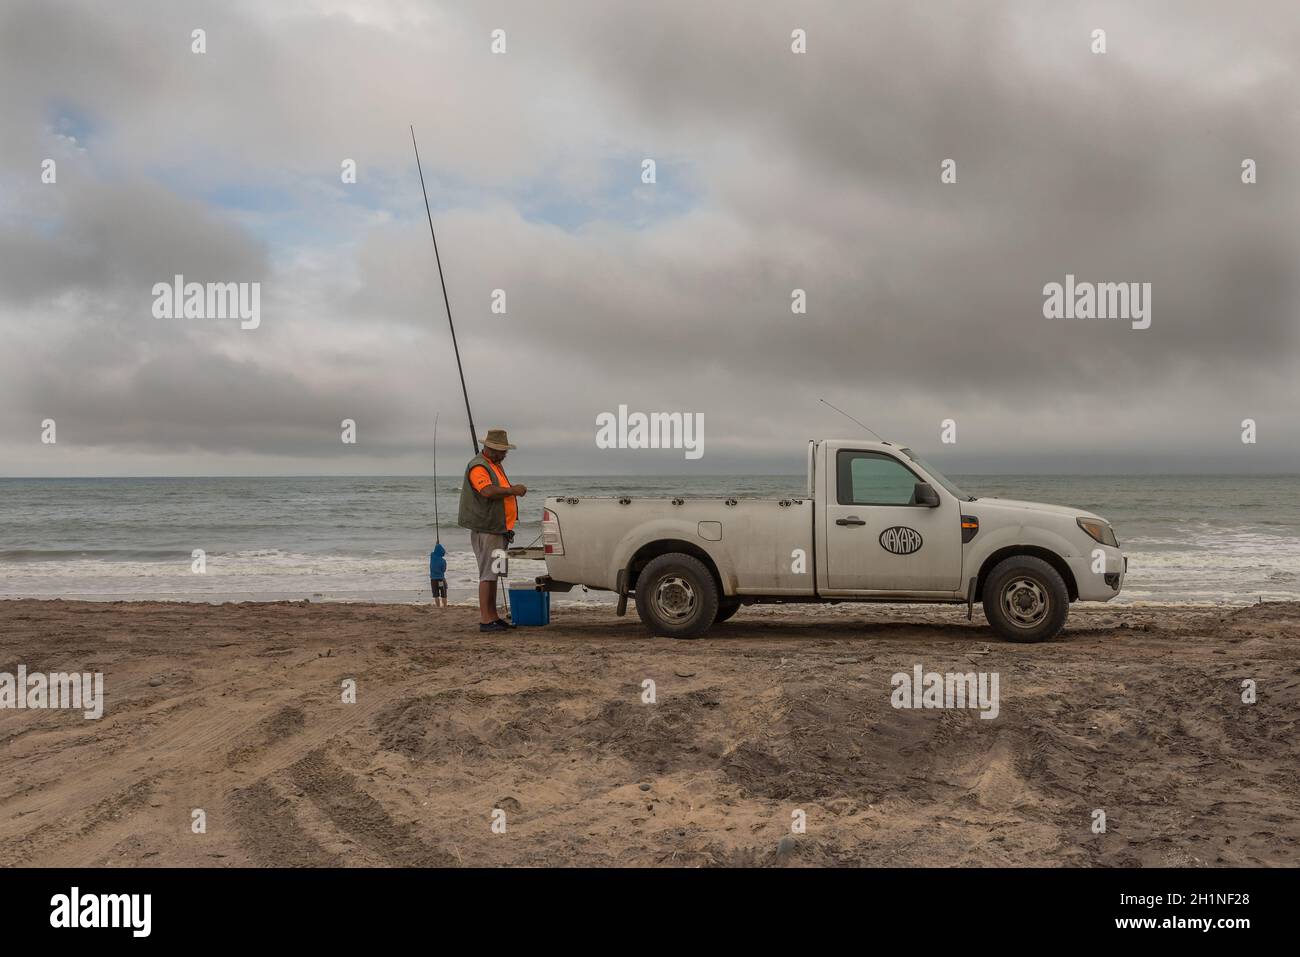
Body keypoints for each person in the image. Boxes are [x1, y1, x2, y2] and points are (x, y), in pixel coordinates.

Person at [457, 428, 527, 632]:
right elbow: (487, 491)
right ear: (492, 449)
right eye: (502, 451)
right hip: (487, 529)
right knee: (488, 574)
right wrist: (513, 490)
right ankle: (486, 619)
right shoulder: (479, 466)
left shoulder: (493, 465)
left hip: (498, 528)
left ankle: (493, 616)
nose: (504, 455)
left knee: (494, 573)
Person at [428, 542, 447, 607]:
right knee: (443, 594)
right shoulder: (443, 561)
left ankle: (438, 607)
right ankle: (444, 606)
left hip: (433, 579)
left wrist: (437, 545)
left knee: (436, 595)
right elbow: (444, 570)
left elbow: (434, 551)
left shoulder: (432, 556)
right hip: (440, 579)